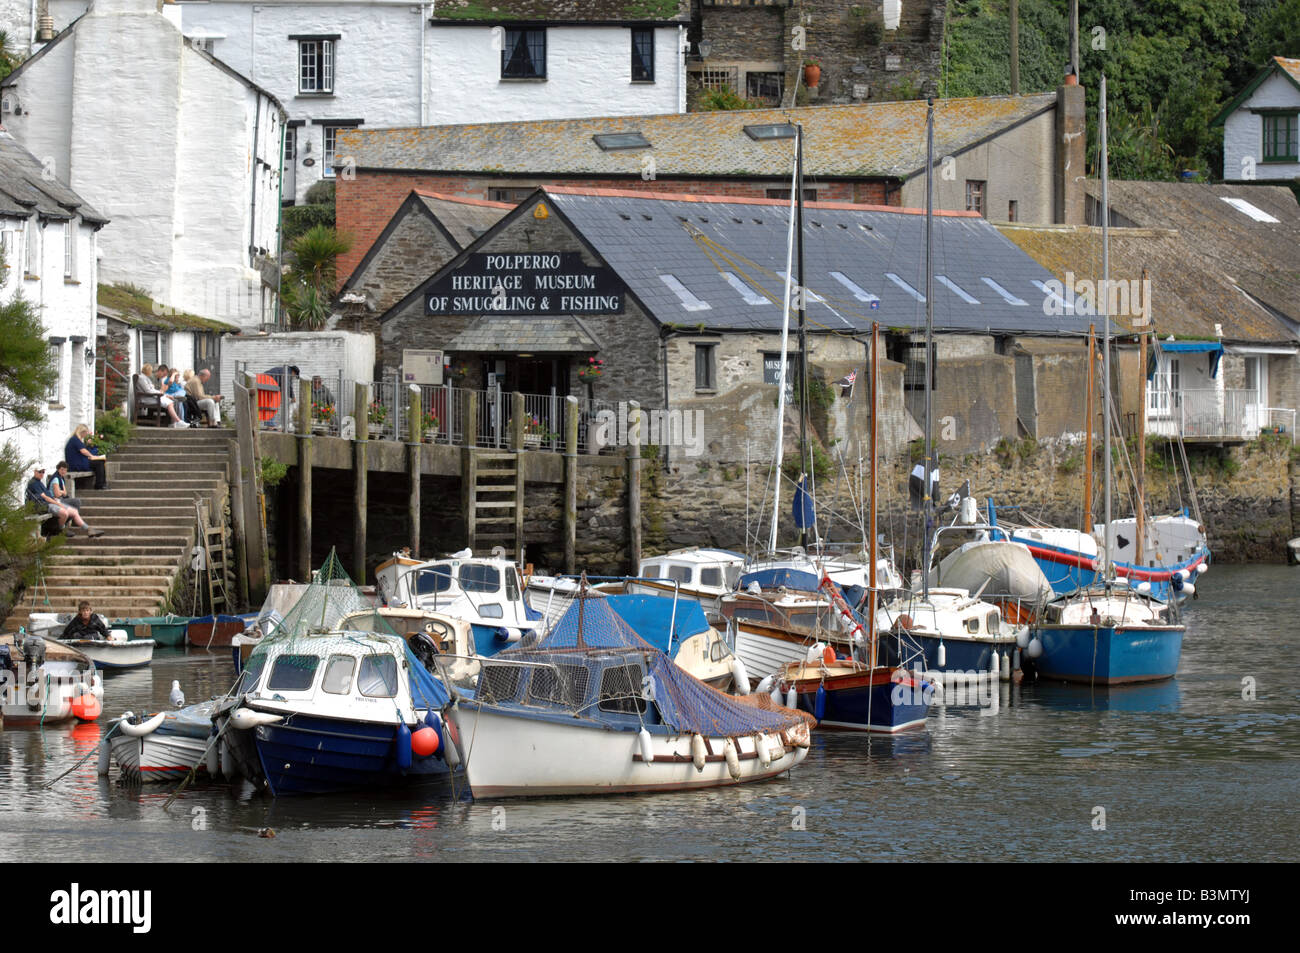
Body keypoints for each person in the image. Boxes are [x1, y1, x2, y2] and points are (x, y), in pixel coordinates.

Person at [25, 465, 103, 536]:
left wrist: (56, 500)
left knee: (74, 511)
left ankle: (88, 529)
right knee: (64, 513)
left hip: (51, 502)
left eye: (43, 472)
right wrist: (58, 503)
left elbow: (53, 495)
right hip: (44, 505)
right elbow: (45, 497)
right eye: (40, 472)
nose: (42, 474)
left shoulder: (40, 482)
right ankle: (60, 530)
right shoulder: (33, 483)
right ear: (35, 472)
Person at [135, 363, 188, 427]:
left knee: (172, 401)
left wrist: (162, 394)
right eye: (150, 371)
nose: (151, 373)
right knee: (170, 402)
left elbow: (151, 390)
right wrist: (161, 393)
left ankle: (175, 422)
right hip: (147, 398)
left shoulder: (145, 378)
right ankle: (177, 421)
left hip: (153, 396)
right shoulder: (142, 378)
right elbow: (148, 391)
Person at [65, 424, 110, 490]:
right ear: (82, 432)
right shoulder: (75, 440)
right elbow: (83, 451)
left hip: (78, 462)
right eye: (86, 433)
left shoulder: (74, 439)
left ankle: (102, 483)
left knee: (100, 462)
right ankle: (100, 484)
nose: (86, 435)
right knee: (99, 463)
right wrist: (92, 456)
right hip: (76, 464)